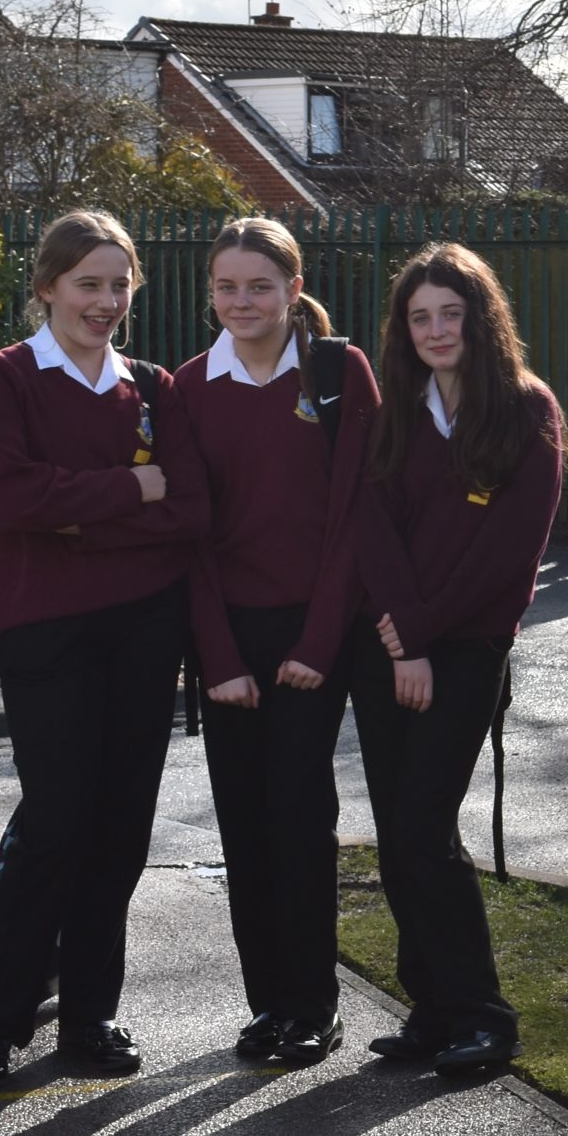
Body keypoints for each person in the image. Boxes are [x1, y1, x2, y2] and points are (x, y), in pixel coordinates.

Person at [0, 210, 207, 1089]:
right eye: (87, 284)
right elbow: (10, 502)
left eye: (118, 284)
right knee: (58, 820)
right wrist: (129, 491)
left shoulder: (155, 388)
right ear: (48, 287)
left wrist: (74, 519)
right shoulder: (1, 381)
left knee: (121, 827)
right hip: (45, 628)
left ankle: (90, 1019)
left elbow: (189, 512)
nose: (105, 302)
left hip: (144, 629)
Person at [352, 242, 568, 1076]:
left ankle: (485, 1016)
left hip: (468, 652)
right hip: (389, 653)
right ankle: (432, 1010)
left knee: (421, 830)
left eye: (451, 313)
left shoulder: (525, 410)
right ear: (403, 330)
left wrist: (423, 638)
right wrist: (401, 637)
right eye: (420, 317)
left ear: (481, 321)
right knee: (399, 835)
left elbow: (507, 555)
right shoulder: (394, 409)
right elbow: (373, 529)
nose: (436, 329)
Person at [177, 218, 380, 1069]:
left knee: (299, 818)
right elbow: (189, 535)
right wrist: (216, 659)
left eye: (259, 286)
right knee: (244, 826)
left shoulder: (340, 373)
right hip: (231, 640)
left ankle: (312, 1003)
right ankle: (267, 1004)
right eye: (226, 287)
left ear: (295, 289)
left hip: (316, 636)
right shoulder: (189, 388)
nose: (241, 302)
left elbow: (356, 518)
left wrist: (319, 641)